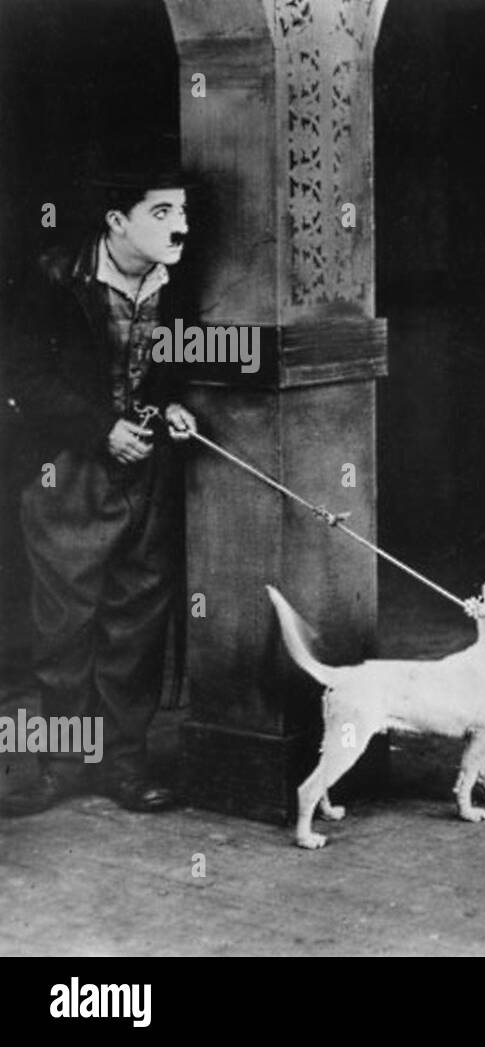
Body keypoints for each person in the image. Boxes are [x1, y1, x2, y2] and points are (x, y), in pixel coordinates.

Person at [1, 160, 198, 815]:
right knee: (64, 627)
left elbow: (177, 360)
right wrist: (101, 428)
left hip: (150, 470)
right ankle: (60, 766)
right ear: (118, 221)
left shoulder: (177, 279)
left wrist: (170, 403)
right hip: (69, 470)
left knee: (136, 622)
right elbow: (25, 379)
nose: (182, 228)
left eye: (184, 213)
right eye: (163, 214)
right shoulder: (54, 277)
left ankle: (124, 765)